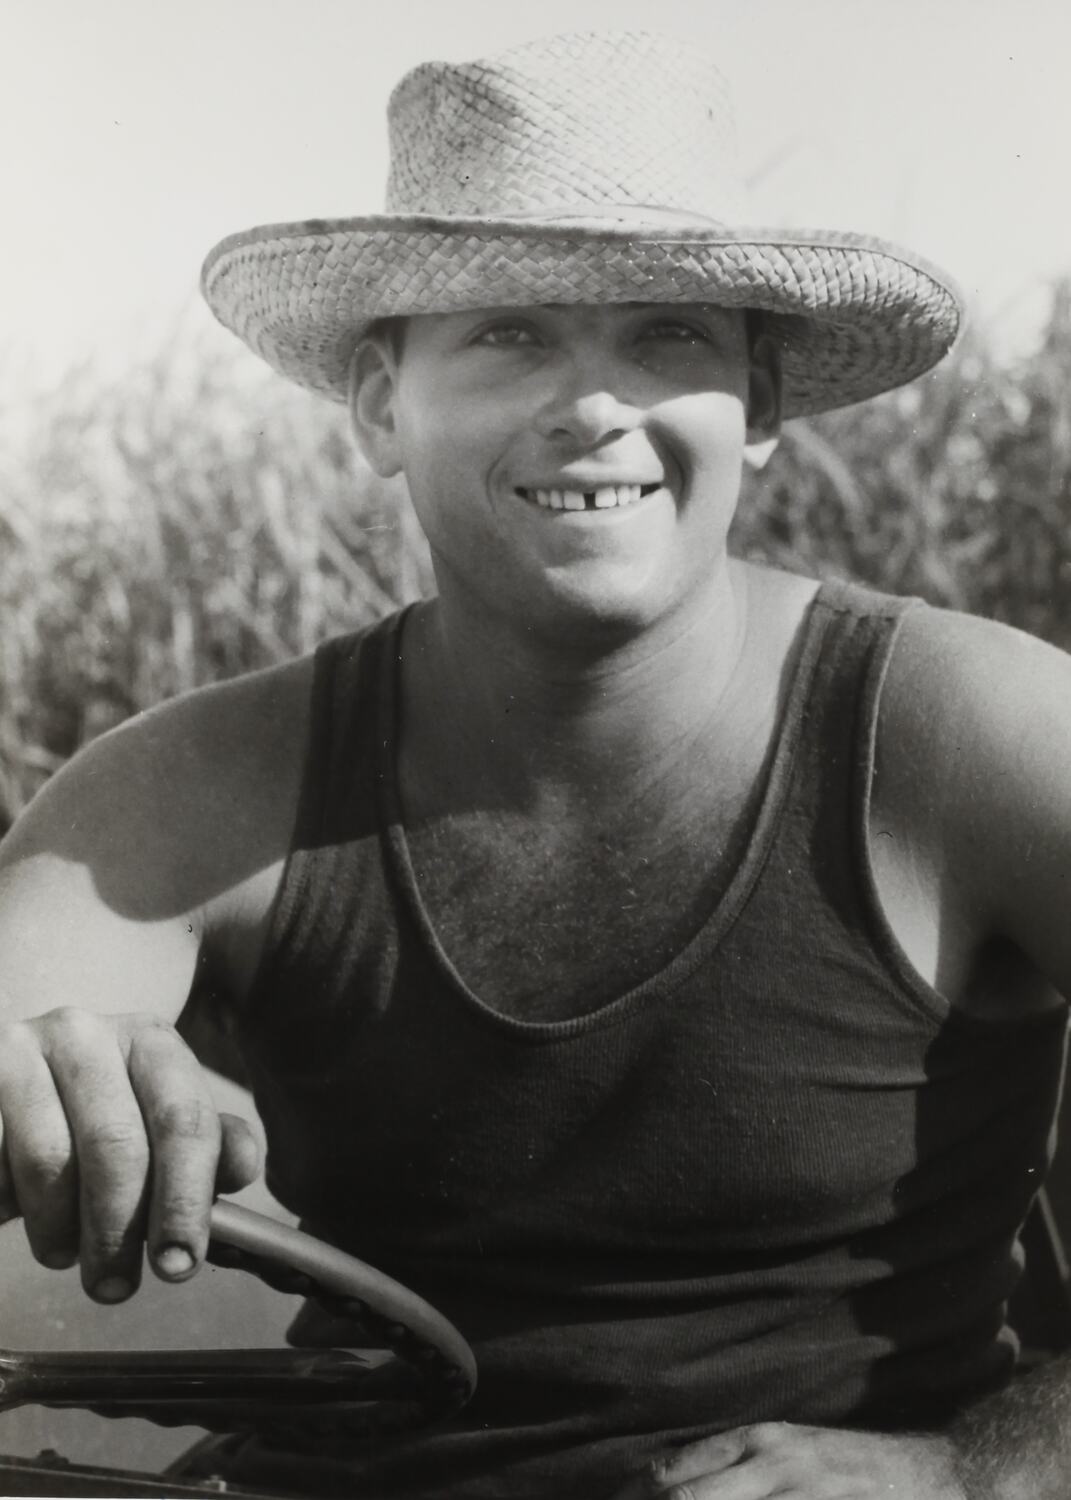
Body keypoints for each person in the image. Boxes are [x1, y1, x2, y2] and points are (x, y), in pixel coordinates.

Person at [0, 26, 1068, 1500]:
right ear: (382, 404)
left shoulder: (973, 738)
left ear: (756, 407)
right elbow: (21, 1005)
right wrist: (40, 1066)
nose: (594, 404)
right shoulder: (191, 790)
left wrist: (973, 1472)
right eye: (509, 332)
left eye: (667, 335)